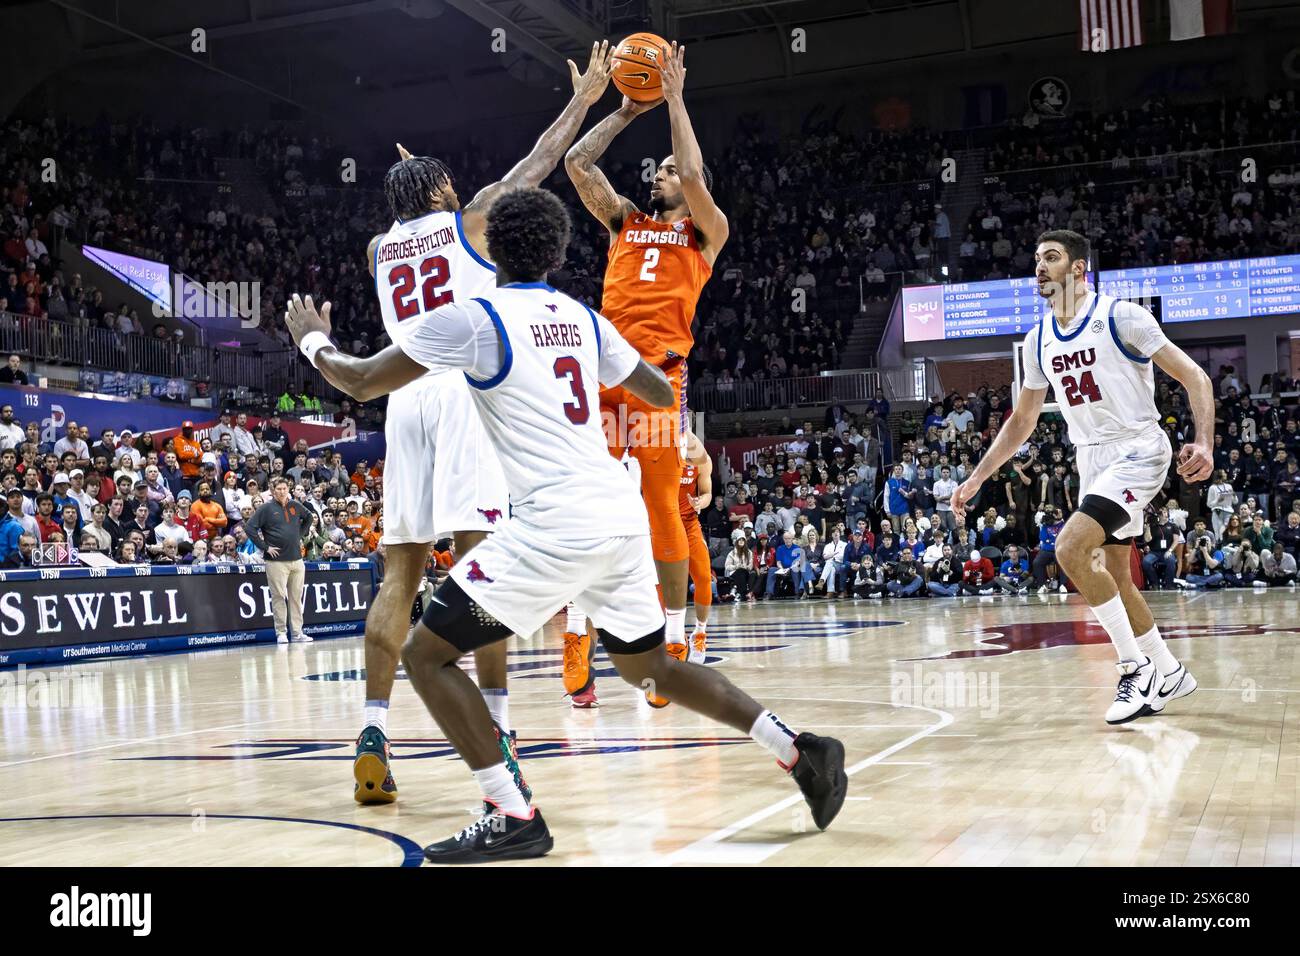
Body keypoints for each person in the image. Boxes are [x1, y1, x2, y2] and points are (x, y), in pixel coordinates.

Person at [285, 186, 845, 862]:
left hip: (553, 525)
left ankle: (511, 809)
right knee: (653, 671)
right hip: (618, 516)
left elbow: (363, 380)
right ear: (556, 252)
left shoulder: (473, 316)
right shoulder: (582, 318)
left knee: (426, 654)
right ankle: (800, 751)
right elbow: (660, 392)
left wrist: (312, 338)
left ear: (489, 247)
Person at [342, 48, 616, 803]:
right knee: (481, 568)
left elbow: (411, 220)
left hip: (403, 398)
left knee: (399, 574)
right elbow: (542, 157)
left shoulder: (378, 249)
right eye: (446, 183)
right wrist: (588, 99)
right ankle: (499, 730)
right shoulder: (472, 219)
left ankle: (372, 728)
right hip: (463, 395)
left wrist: (414, 183)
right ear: (440, 190)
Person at [953, 229, 1215, 725]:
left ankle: (1133, 668)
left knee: (1070, 548)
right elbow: (1022, 422)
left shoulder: (1121, 317)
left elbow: (1195, 377)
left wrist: (1203, 441)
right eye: (1036, 259)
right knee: (1115, 575)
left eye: (1051, 257)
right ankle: (1168, 668)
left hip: (1139, 448)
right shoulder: (1038, 340)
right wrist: (976, 478)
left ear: (1078, 269)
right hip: (1091, 459)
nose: (1040, 266)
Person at [563, 41, 730, 707]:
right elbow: (577, 163)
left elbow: (691, 169)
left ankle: (661, 653)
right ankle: (577, 635)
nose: (658, 174)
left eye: (667, 170)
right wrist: (629, 109)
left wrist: (677, 96)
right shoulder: (624, 222)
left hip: (658, 383)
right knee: (586, 512)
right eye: (655, 168)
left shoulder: (705, 231)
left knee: (665, 511)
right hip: (601, 377)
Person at [244, 477, 314, 643]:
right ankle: (281, 632)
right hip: (276, 562)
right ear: (273, 490)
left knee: (296, 598)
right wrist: (265, 547)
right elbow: (249, 528)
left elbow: (310, 517)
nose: (282, 491)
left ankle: (297, 633)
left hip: (297, 560)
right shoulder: (266, 508)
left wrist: (300, 535)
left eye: (284, 488)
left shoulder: (295, 506)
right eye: (279, 489)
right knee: (278, 597)